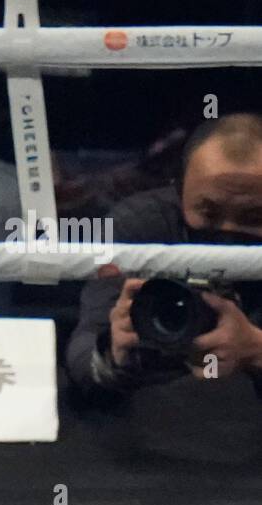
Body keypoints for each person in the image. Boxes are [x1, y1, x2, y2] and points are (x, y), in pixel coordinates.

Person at [67, 113, 262, 405]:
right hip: (157, 416)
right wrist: (113, 352)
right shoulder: (140, 226)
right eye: (208, 213)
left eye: (253, 217)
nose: (227, 231)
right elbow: (82, 352)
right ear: (179, 188)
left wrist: (256, 350)